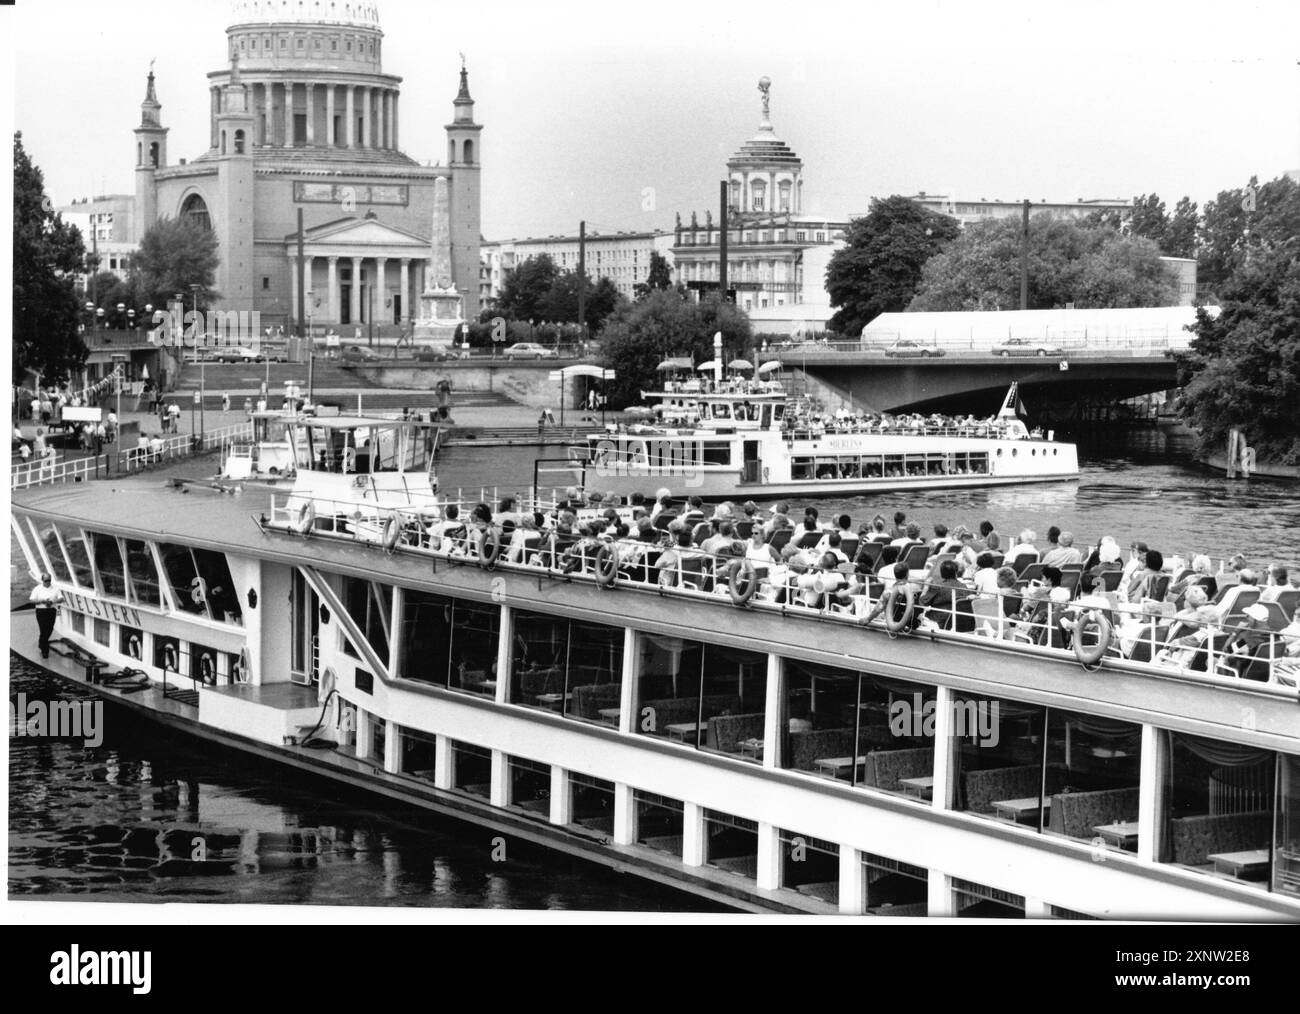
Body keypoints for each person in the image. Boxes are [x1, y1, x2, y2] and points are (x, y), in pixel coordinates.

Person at [29, 573, 64, 659]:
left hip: (51, 610)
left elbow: (61, 598)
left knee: (50, 629)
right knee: (43, 629)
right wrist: (41, 601)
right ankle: (45, 651)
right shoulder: (37, 589)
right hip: (41, 611)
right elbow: (32, 601)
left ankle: (41, 643)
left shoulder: (55, 589)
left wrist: (53, 601)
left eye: (49, 580)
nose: (48, 582)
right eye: (46, 581)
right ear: (42, 580)